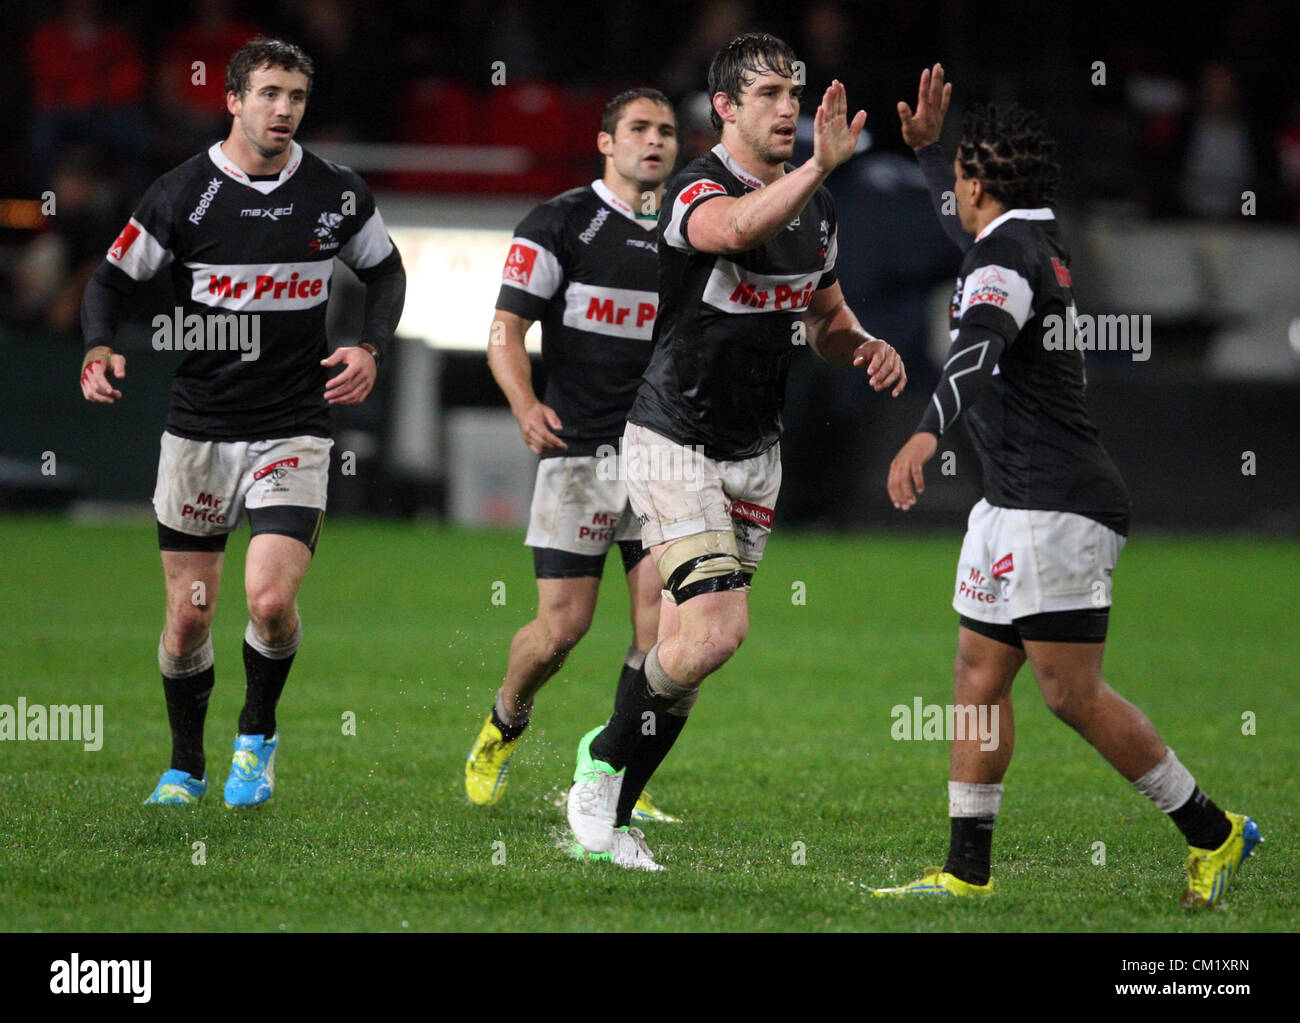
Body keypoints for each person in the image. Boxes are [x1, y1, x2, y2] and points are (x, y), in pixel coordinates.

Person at [872, 65, 1259, 904]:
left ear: (980, 186)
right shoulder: (1020, 242)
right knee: (977, 673)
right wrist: (937, 155)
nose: (953, 195)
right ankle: (966, 871)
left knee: (1069, 693)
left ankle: (1216, 830)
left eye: (959, 180)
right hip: (1015, 500)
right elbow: (964, 234)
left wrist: (924, 431)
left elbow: (974, 348)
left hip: (1057, 501)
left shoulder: (1006, 258)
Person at [565, 33, 906, 871]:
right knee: (718, 632)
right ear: (724, 108)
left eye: (795, 92)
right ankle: (602, 768)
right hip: (673, 435)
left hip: (756, 449)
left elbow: (823, 318)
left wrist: (861, 344)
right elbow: (731, 229)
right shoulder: (695, 186)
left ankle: (615, 806)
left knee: (685, 652)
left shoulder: (817, 210)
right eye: (769, 95)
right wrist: (819, 169)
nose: (789, 108)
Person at [79, 36, 405, 808]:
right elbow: (109, 280)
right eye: (268, 94)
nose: (284, 109)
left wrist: (369, 346)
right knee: (188, 622)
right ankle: (185, 763)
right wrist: (97, 347)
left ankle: (256, 737)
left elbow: (385, 269)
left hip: (294, 427)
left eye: (295, 96)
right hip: (199, 431)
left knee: (267, 601)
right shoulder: (181, 193)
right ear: (232, 99)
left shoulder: (336, 192)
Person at [463, 88, 682, 826]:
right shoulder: (560, 223)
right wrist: (526, 405)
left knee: (663, 627)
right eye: (640, 129)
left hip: (665, 455)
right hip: (579, 451)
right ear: (605, 141)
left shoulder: (692, 231)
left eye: (667, 131)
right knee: (561, 630)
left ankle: (621, 769)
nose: (654, 142)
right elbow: (504, 329)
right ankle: (505, 718)